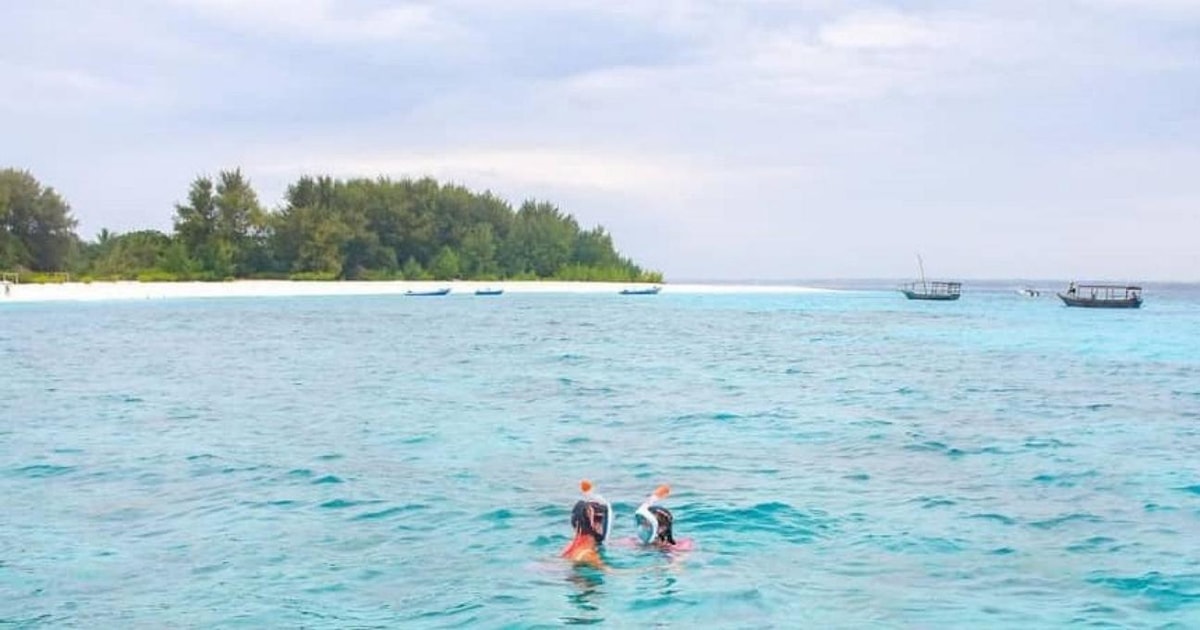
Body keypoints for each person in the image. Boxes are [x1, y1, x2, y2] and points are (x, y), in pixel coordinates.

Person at [561, 480, 611, 568]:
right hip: (583, 581)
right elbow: (613, 574)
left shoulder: (569, 547)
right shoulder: (588, 554)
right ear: (596, 526)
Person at [634, 485, 694, 551]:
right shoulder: (635, 543)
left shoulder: (676, 548)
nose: (642, 528)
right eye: (642, 524)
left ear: (662, 528)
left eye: (647, 525)